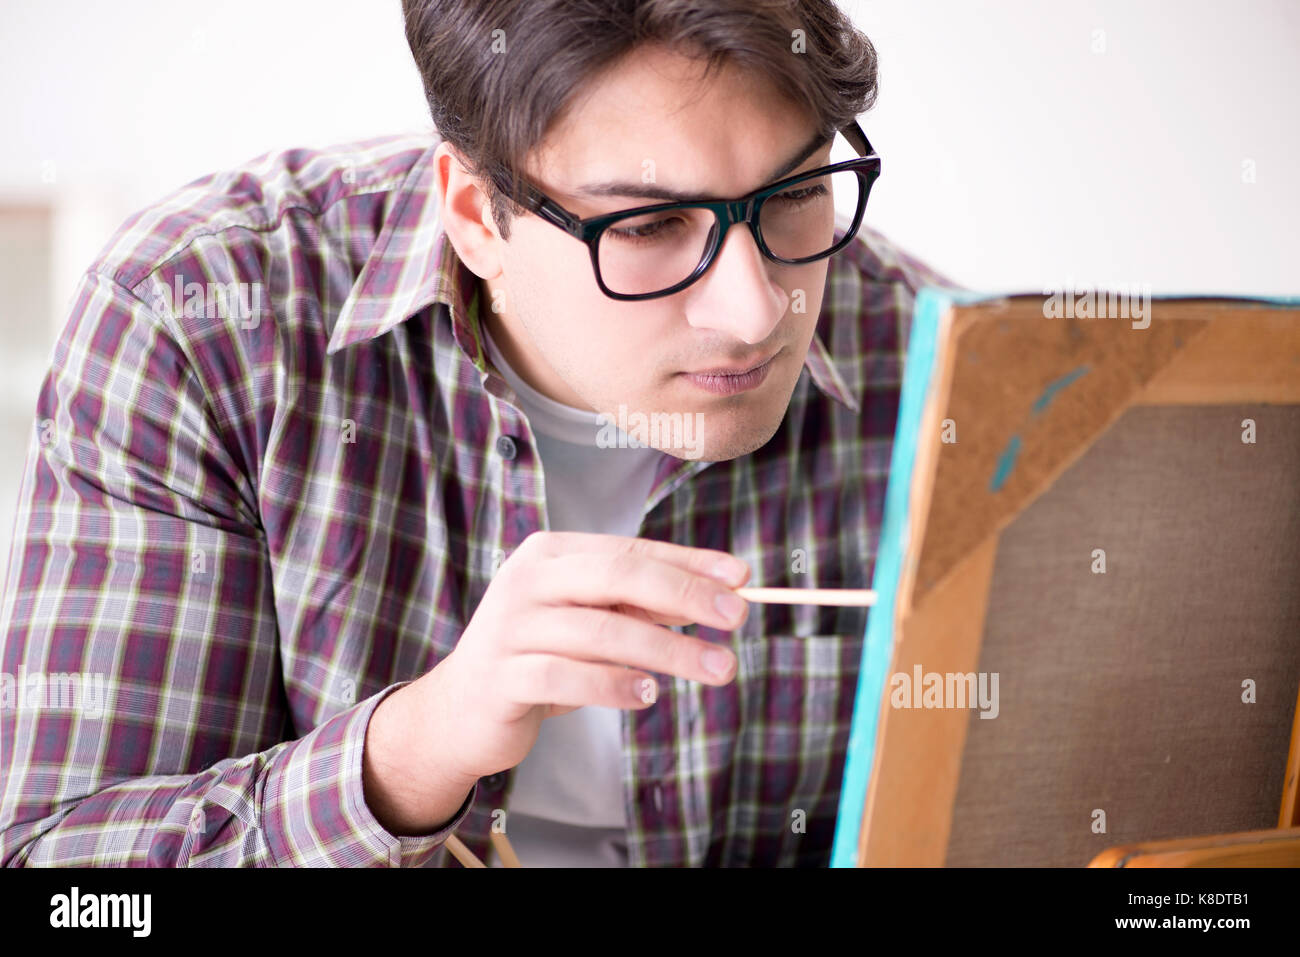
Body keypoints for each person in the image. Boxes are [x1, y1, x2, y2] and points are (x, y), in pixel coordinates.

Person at [0, 0, 959, 867]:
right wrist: (413, 753)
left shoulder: (939, 366)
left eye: (794, 195)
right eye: (650, 224)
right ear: (476, 216)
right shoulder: (199, 319)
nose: (757, 309)